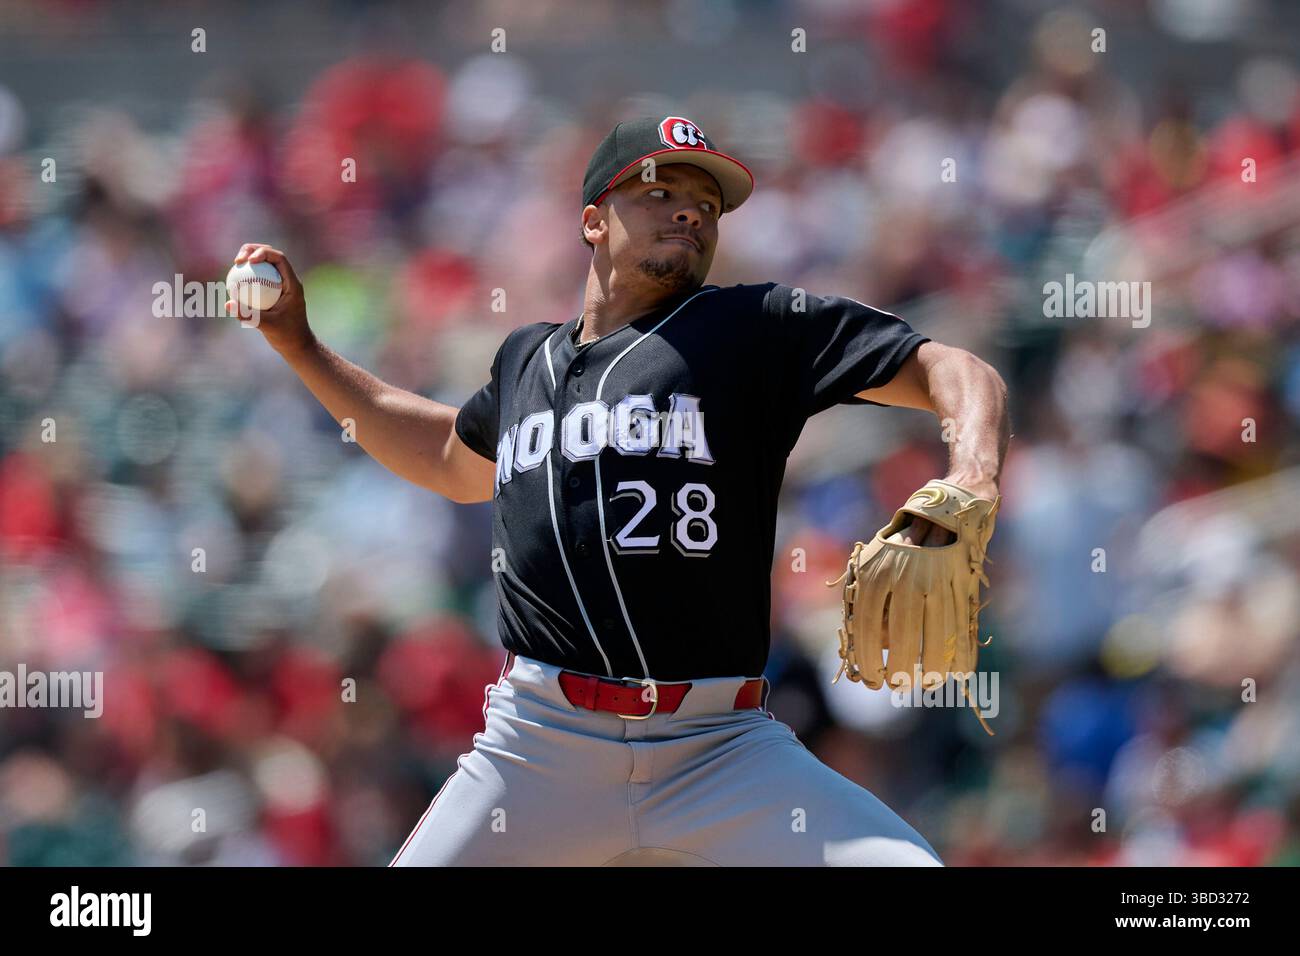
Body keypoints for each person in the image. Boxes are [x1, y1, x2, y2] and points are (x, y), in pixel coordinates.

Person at [228, 115, 1009, 866]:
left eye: (707, 205)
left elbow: (956, 369)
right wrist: (299, 344)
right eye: (660, 193)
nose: (690, 214)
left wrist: (971, 470)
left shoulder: (756, 329)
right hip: (539, 748)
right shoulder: (524, 362)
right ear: (594, 220)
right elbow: (443, 455)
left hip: (721, 749)